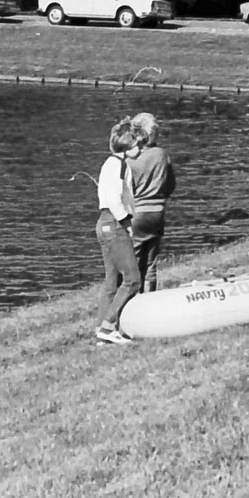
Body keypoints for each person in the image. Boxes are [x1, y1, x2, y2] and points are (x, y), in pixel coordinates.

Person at [93, 117, 142, 345]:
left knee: (112, 280)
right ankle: (109, 324)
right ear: (128, 146)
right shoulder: (120, 165)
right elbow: (115, 199)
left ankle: (102, 328)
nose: (140, 150)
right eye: (138, 145)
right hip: (114, 224)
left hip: (103, 223)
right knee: (132, 278)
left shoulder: (108, 164)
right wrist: (127, 222)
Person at [127, 110, 176, 293]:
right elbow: (170, 185)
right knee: (151, 262)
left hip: (137, 213)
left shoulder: (130, 159)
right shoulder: (162, 155)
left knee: (134, 261)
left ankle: (132, 301)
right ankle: (150, 299)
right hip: (157, 212)